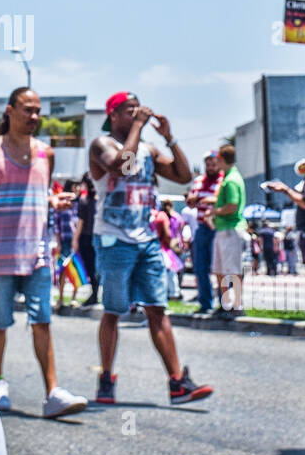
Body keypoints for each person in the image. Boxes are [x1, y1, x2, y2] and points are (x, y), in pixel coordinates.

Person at [89, 91, 211, 405]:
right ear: (113, 115)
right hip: (114, 239)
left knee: (157, 308)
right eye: (129, 111)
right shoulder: (102, 145)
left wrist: (170, 138)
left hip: (145, 240)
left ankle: (177, 382)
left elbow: (184, 176)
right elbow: (122, 167)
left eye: (138, 110)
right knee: (114, 310)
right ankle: (106, 377)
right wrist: (138, 127)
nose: (137, 114)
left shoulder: (148, 149)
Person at [0, 88, 87, 419]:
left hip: (38, 252)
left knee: (42, 321)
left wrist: (52, 202)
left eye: (37, 111)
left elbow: (39, 192)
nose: (34, 116)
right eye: (28, 110)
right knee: (0, 322)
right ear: (10, 111)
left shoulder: (46, 153)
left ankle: (52, 392)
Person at [210, 144, 248, 317]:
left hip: (230, 229)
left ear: (222, 159)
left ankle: (236, 305)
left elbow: (232, 206)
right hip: (225, 229)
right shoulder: (231, 177)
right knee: (222, 270)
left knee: (231, 270)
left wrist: (214, 211)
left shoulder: (231, 180)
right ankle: (227, 304)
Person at [182, 152, 222, 310]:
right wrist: (192, 200)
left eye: (213, 164)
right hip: (201, 227)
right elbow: (191, 201)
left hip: (217, 227)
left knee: (219, 267)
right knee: (199, 266)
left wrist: (201, 199)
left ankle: (224, 303)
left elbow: (219, 199)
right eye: (208, 164)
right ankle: (205, 302)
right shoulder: (198, 181)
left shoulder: (222, 180)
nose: (210, 167)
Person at [73, 175, 100, 306]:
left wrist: (75, 239)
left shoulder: (84, 201)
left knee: (90, 268)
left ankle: (94, 295)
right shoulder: (99, 201)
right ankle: (94, 294)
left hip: (86, 238)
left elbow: (80, 222)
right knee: (95, 267)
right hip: (98, 238)